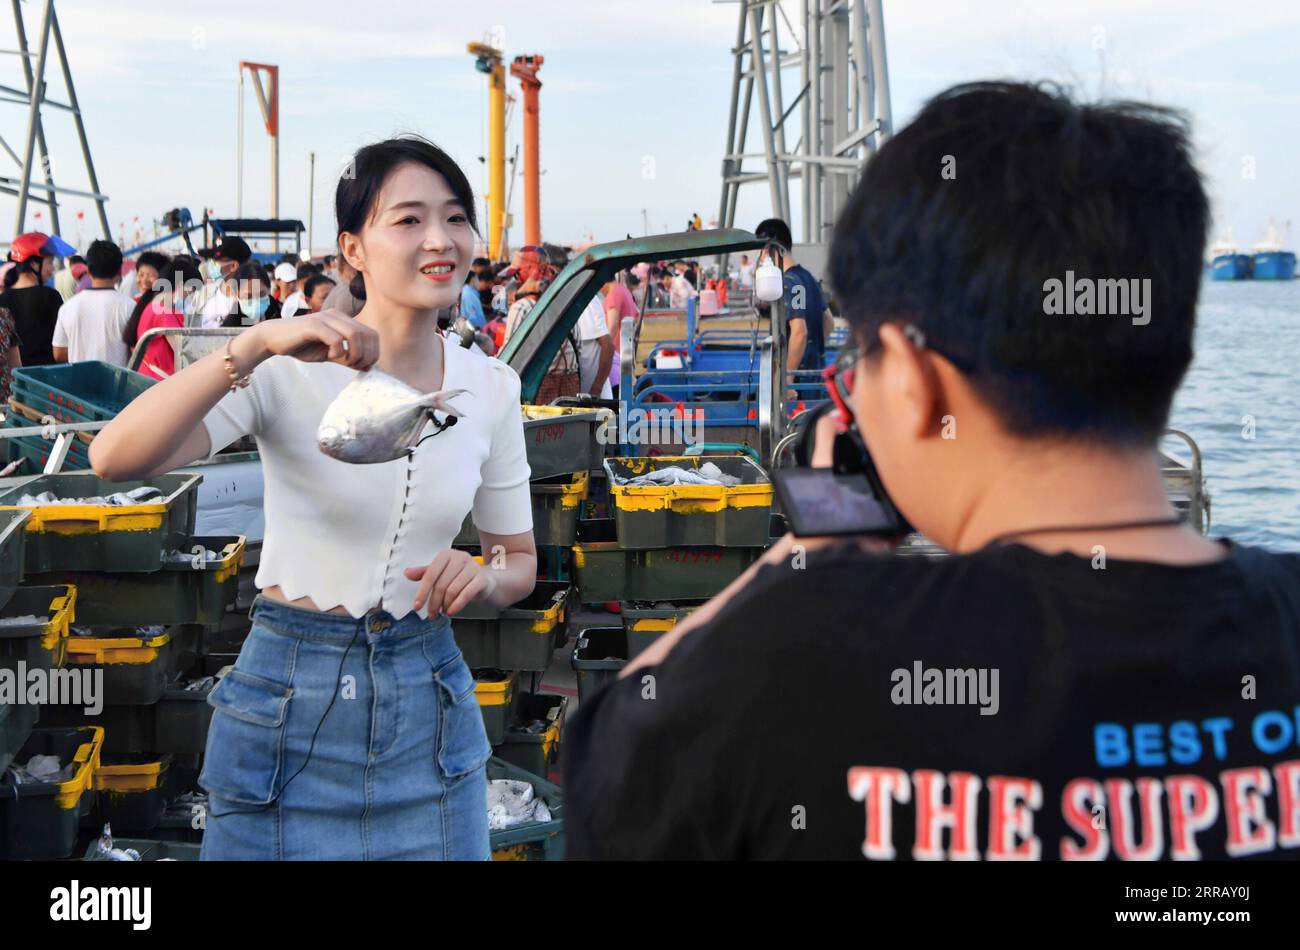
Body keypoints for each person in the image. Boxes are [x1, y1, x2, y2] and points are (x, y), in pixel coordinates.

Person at [563, 81, 1300, 861]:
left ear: (915, 383)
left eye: (864, 363)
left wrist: (827, 540)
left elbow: (610, 783)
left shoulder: (806, 653)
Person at [91, 134, 537, 861]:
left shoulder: (492, 387)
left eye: (456, 218)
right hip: (284, 714)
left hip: (430, 716)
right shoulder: (286, 368)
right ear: (353, 248)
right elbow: (113, 458)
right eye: (409, 219)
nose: (440, 240)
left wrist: (485, 577)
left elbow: (517, 559)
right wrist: (255, 345)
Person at [755, 217, 834, 379]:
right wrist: (812, 354)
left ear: (771, 249)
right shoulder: (809, 278)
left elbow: (799, 332)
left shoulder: (787, 283)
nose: (761, 258)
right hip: (815, 376)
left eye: (761, 251)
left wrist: (788, 378)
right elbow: (829, 321)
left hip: (797, 385)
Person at [52, 240, 135, 365]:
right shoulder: (130, 306)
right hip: (118, 382)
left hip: (79, 381)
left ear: (88, 270)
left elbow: (58, 353)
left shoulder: (67, 308)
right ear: (119, 271)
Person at [122, 257, 202, 379]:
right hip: (160, 383)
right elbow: (187, 351)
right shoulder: (163, 312)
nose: (192, 298)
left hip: (150, 380)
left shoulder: (152, 306)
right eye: (192, 292)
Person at [1, 231, 74, 366]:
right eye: (50, 262)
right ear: (34, 264)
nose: (53, 269)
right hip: (48, 378)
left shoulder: (3, 299)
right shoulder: (50, 297)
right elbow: (64, 340)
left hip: (16, 380)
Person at [195, 237, 252, 328]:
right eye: (210, 260)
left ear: (233, 266)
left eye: (215, 261)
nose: (210, 265)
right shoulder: (204, 294)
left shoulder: (255, 301)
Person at [603, 274, 638, 397]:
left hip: (616, 359)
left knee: (618, 400)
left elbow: (612, 327)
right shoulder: (624, 290)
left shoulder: (613, 295)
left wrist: (602, 350)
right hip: (626, 353)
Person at [576, 289, 613, 398]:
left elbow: (608, 346)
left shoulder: (587, 301)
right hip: (579, 396)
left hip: (594, 398)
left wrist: (596, 389)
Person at [220, 262, 282, 327]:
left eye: (261, 295)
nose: (255, 302)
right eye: (248, 296)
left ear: (269, 290)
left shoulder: (279, 321)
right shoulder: (227, 330)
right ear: (237, 295)